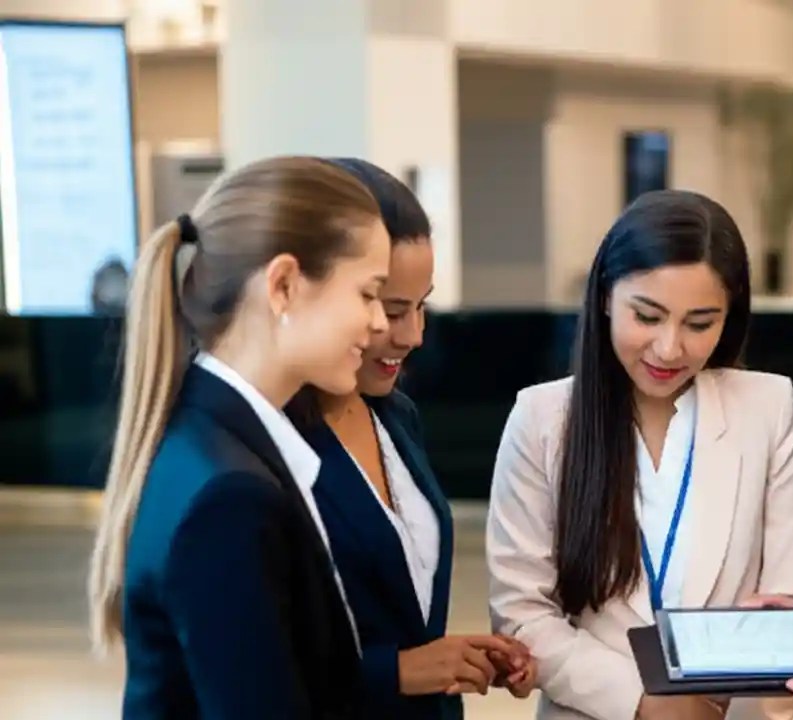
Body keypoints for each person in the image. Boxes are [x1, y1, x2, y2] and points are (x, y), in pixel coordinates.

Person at [486, 189, 793, 720]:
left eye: (699, 323)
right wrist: (643, 702)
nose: (670, 349)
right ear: (604, 298)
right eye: (647, 316)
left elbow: (790, 605)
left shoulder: (771, 409)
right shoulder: (542, 418)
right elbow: (521, 613)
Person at [87, 156, 392, 718]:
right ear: (283, 285)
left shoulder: (210, 438)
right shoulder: (231, 496)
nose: (380, 324)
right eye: (368, 293)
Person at [286, 157, 536, 719]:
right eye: (393, 309)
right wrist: (395, 670)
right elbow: (248, 662)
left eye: (421, 307)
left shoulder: (394, 415)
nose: (414, 335)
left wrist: (459, 658)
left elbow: (401, 604)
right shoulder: (265, 446)